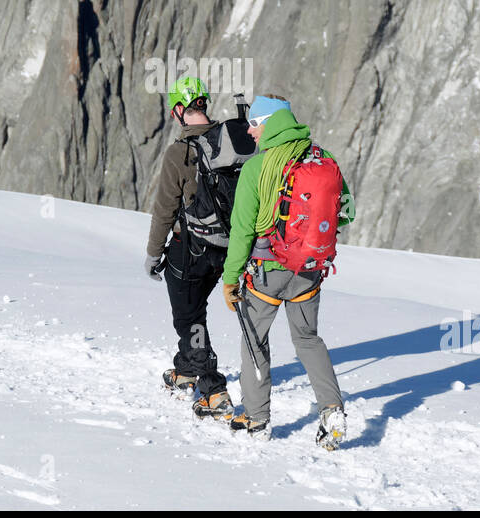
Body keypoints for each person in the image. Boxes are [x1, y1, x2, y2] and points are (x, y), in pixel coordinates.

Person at [221, 95, 353, 448]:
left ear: (270, 123)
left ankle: (256, 417)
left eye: (254, 123)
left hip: (268, 271)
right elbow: (346, 212)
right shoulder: (323, 158)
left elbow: (242, 230)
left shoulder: (258, 167)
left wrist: (230, 278)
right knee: (308, 339)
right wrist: (308, 236)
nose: (250, 131)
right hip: (310, 269)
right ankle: (332, 410)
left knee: (255, 340)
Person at [145, 76, 237, 419]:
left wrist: (154, 253)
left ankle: (213, 389)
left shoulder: (179, 152)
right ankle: (185, 370)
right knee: (194, 307)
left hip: (193, 249)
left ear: (180, 111)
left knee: (189, 317)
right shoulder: (230, 143)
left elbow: (165, 209)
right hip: (230, 249)